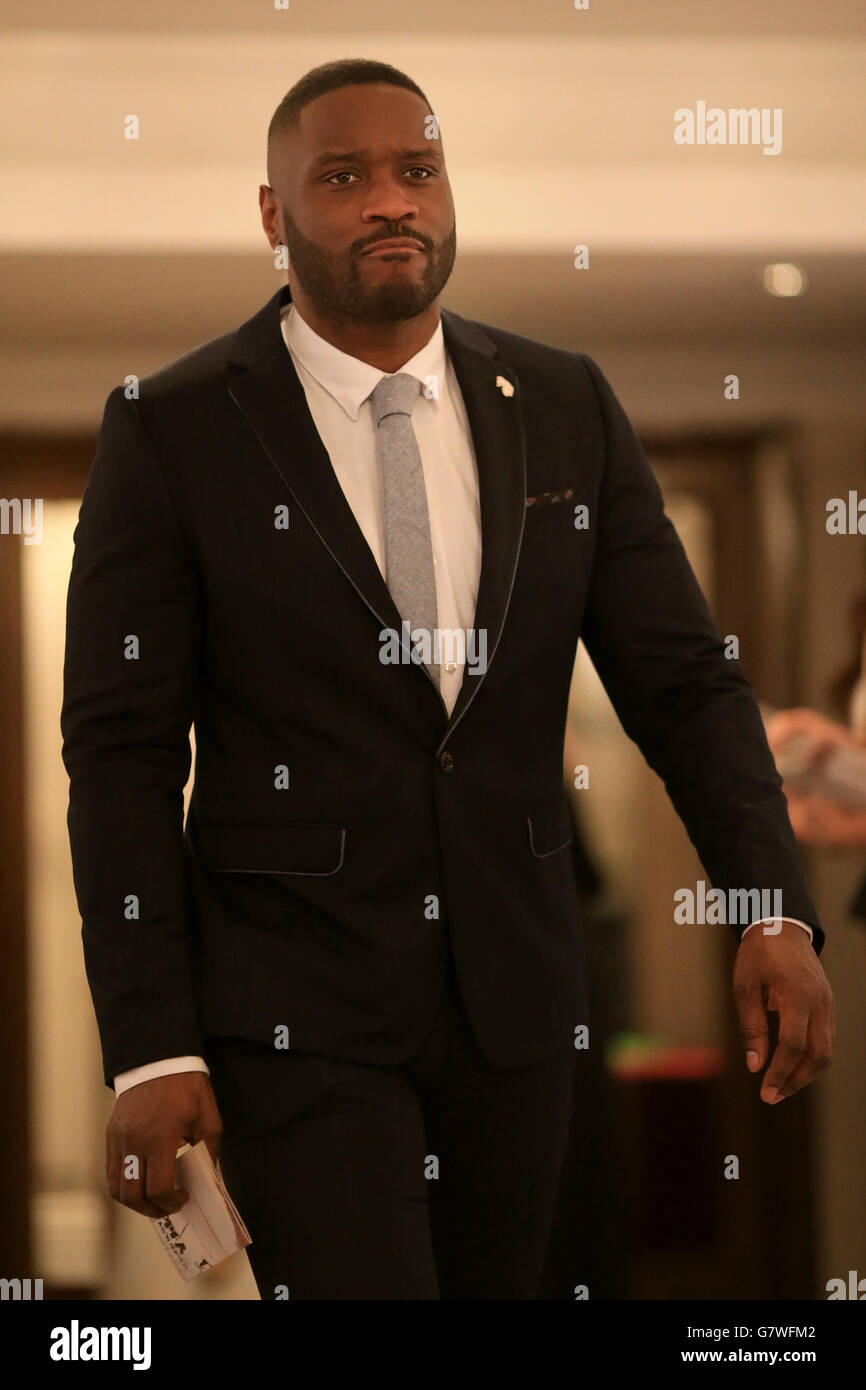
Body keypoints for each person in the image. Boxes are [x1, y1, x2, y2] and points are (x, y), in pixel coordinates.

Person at [60, 58, 835, 1301]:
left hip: (518, 1009)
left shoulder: (564, 404)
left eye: (416, 170)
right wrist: (146, 1045)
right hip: (294, 1015)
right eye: (344, 176)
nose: (390, 203)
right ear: (273, 214)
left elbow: (684, 684)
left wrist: (770, 904)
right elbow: (121, 757)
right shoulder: (172, 427)